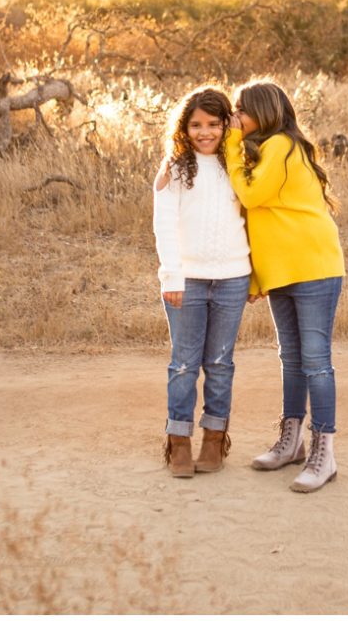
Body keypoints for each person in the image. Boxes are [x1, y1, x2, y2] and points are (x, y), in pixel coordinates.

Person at [225, 80, 345, 494]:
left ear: (264, 111)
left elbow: (253, 197)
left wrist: (229, 145)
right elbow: (258, 222)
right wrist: (259, 276)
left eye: (241, 109)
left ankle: (323, 453)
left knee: (314, 360)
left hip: (313, 265)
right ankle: (291, 442)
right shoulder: (268, 150)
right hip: (283, 271)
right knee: (292, 359)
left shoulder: (279, 145)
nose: (235, 117)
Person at [153, 86, 251, 478]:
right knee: (183, 365)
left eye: (213, 123)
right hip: (187, 280)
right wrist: (172, 274)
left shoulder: (240, 165)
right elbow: (164, 225)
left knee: (221, 363)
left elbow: (254, 221)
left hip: (232, 278)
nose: (205, 132)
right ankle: (178, 442)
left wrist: (255, 275)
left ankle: (215, 438)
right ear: (184, 128)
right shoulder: (175, 167)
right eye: (196, 125)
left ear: (227, 124)